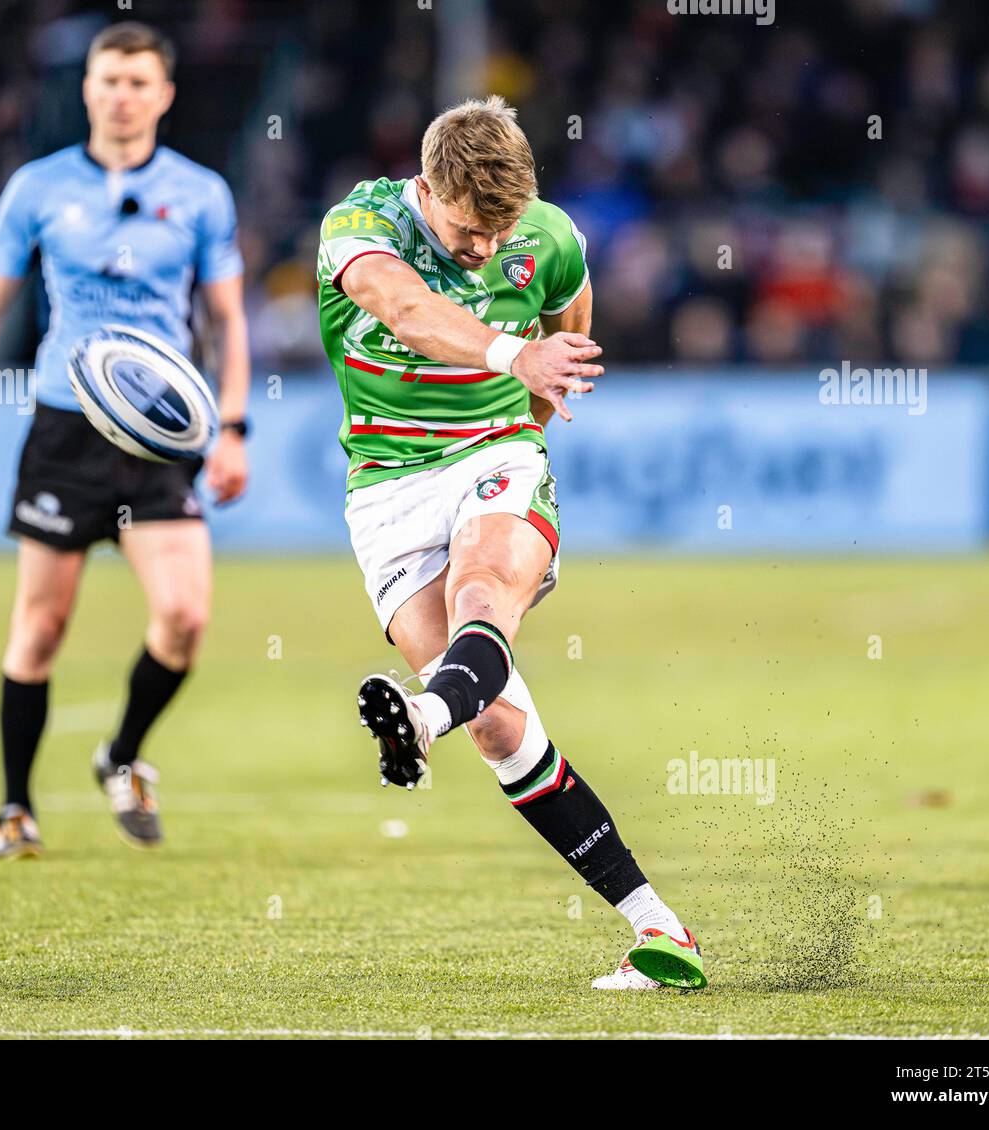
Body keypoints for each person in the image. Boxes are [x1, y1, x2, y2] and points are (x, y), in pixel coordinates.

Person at [315, 96, 706, 990]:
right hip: (385, 489)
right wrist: (511, 355)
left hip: (496, 454)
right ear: (427, 187)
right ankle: (661, 931)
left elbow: (571, 315)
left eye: (500, 231)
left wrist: (530, 421)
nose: (486, 249)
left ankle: (419, 716)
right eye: (466, 231)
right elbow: (407, 310)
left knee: (485, 590)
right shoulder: (361, 223)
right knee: (495, 723)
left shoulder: (548, 233)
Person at [0, 22, 250, 857]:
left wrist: (235, 428)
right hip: (65, 426)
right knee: (40, 627)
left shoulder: (202, 192)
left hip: (159, 435)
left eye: (139, 82)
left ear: (165, 95)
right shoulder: (37, 187)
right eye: (108, 79)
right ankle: (14, 808)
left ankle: (122, 755)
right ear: (87, 89)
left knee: (183, 615)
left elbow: (226, 321)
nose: (122, 94)